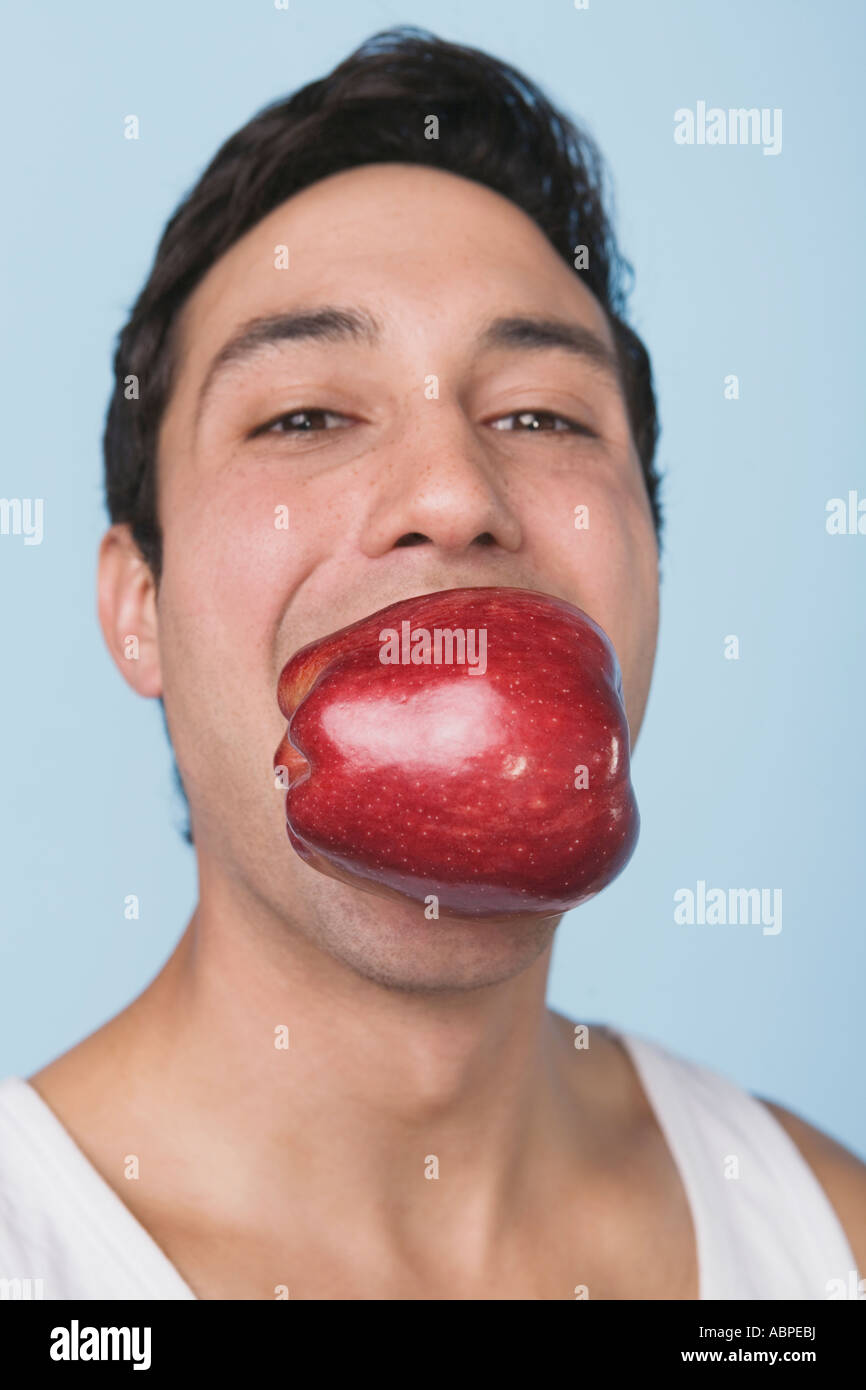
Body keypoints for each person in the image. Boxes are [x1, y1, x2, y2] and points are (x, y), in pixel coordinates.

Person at [1, 26, 863, 1301]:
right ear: (139, 608)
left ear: (651, 573)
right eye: (304, 414)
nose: (455, 492)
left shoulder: (823, 1247)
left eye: (539, 415)